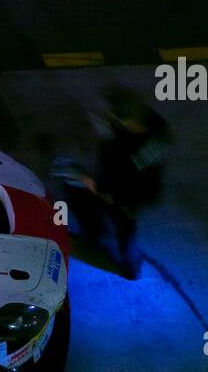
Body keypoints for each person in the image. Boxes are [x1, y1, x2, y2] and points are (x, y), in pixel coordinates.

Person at [60, 86, 171, 279]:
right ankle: (130, 268)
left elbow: (112, 180)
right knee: (127, 232)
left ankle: (96, 237)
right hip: (138, 194)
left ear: (125, 120)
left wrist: (84, 179)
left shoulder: (119, 148)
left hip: (121, 196)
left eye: (114, 117)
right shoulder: (157, 129)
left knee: (115, 223)